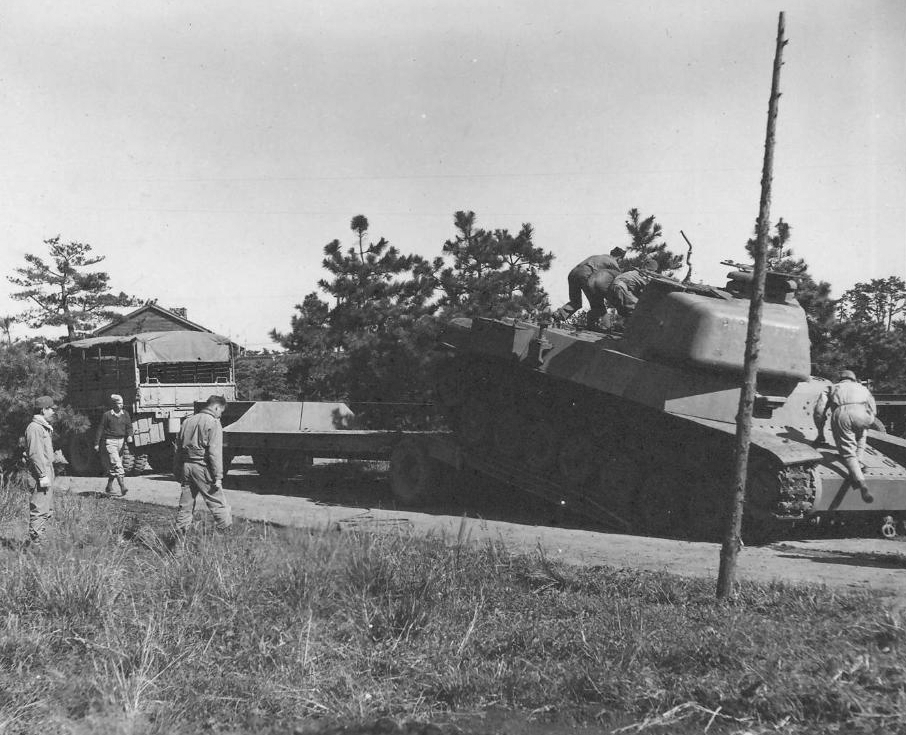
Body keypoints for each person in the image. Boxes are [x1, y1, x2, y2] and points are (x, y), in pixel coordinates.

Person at [813, 370, 877, 503]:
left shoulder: (832, 387)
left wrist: (820, 434)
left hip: (843, 412)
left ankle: (862, 485)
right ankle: (859, 462)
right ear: (854, 379)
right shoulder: (862, 388)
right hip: (863, 412)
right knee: (861, 436)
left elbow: (819, 411)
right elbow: (873, 409)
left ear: (840, 379)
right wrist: (868, 421)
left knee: (847, 452)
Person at [174, 394, 232, 534]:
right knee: (218, 503)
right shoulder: (213, 422)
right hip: (202, 467)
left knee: (185, 506)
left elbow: (177, 449)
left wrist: (177, 471)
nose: (220, 415)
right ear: (217, 407)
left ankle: (178, 544)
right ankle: (227, 539)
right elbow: (214, 452)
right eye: (220, 412)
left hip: (186, 467)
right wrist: (218, 477)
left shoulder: (187, 421)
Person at [552, 253, 622, 327]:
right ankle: (605, 327)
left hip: (573, 273)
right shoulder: (613, 262)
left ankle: (558, 315)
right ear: (619, 258)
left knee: (575, 302)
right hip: (586, 273)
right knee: (598, 305)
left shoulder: (598, 256)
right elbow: (619, 278)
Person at [24, 396, 57, 545]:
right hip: (41, 473)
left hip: (46, 470)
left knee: (46, 506)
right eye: (51, 409)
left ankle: (40, 538)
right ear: (43, 410)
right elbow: (35, 454)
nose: (53, 412)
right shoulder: (35, 428)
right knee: (39, 506)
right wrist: (42, 475)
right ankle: (36, 544)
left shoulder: (42, 426)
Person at [94, 393, 134, 496]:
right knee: (118, 464)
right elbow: (100, 429)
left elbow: (129, 426)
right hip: (110, 442)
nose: (122, 405)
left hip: (121, 442)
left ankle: (109, 486)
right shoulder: (107, 415)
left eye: (122, 403)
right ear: (114, 404)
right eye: (120, 403)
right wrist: (97, 443)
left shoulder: (125, 414)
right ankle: (122, 487)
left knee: (114, 466)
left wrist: (130, 435)